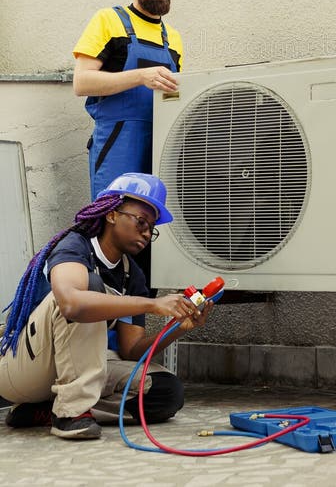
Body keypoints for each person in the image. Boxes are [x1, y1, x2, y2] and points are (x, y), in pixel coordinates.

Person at [0, 173, 211, 440]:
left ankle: (43, 409)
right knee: (89, 287)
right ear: (111, 213)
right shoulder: (74, 245)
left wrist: (178, 327)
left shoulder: (132, 275)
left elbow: (132, 351)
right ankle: (70, 413)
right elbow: (71, 304)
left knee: (164, 391)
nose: (147, 233)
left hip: (76, 364)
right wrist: (152, 305)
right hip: (23, 368)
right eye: (141, 222)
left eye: (152, 228)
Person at [73, 0, 182, 286]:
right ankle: (104, 336)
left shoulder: (174, 39)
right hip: (118, 150)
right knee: (113, 238)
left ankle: (135, 332)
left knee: (150, 247)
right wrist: (141, 76)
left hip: (160, 151)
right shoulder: (108, 21)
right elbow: (82, 82)